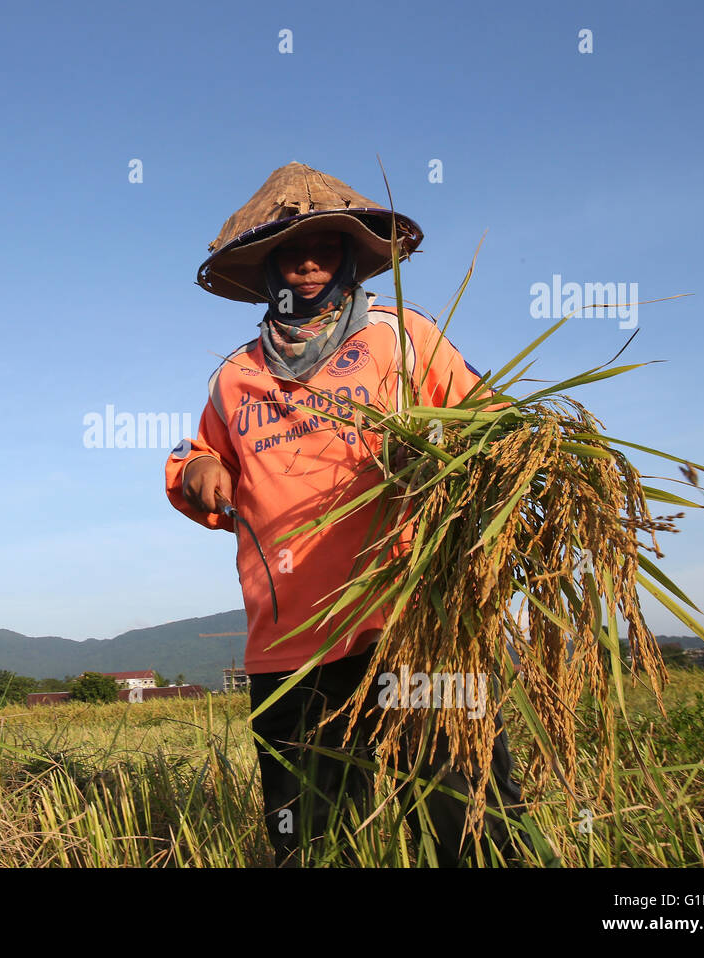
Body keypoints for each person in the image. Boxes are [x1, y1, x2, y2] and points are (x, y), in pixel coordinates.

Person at [164, 162, 527, 867]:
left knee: (473, 829)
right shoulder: (235, 375)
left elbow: (495, 428)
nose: (305, 264)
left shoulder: (403, 338)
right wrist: (200, 467)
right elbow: (195, 457)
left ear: (350, 258)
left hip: (413, 626)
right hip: (291, 645)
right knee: (308, 844)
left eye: (323, 248)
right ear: (265, 266)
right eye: (287, 251)